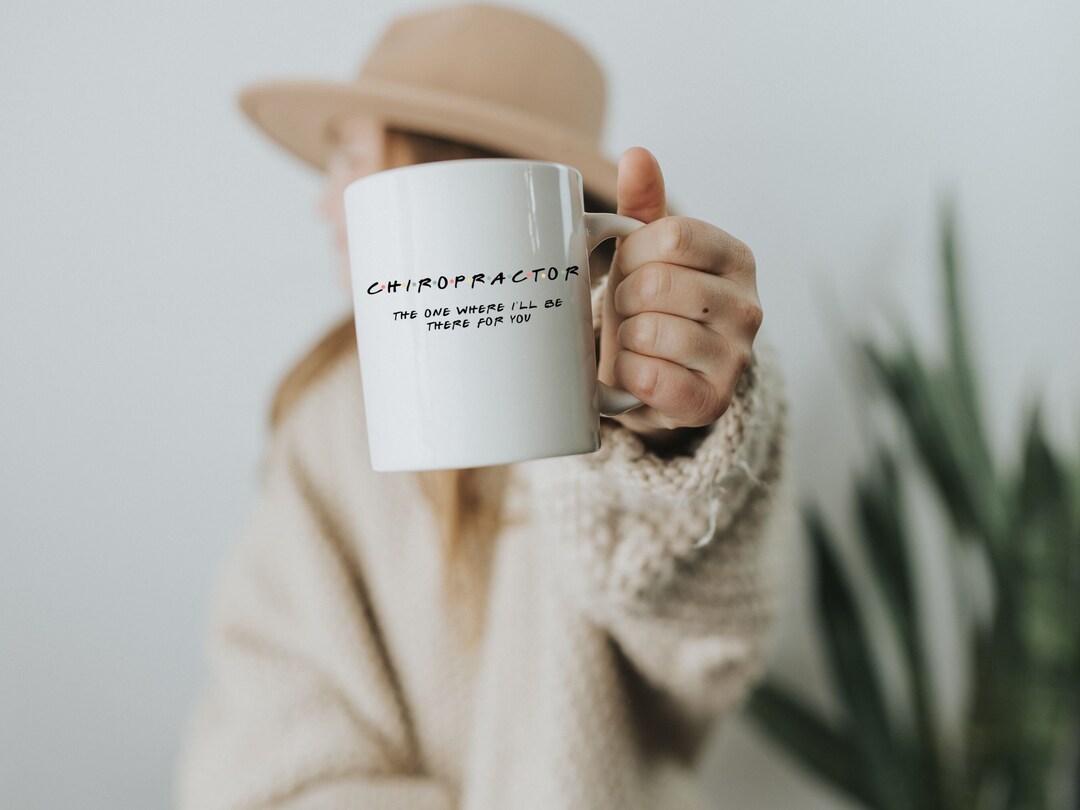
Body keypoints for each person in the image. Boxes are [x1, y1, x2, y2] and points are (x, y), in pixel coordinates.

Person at [175, 4, 790, 809]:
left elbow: (711, 650)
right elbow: (265, 757)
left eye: (348, 159)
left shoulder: (646, 375)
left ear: (444, 176)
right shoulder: (324, 425)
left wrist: (670, 431)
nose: (323, 203)